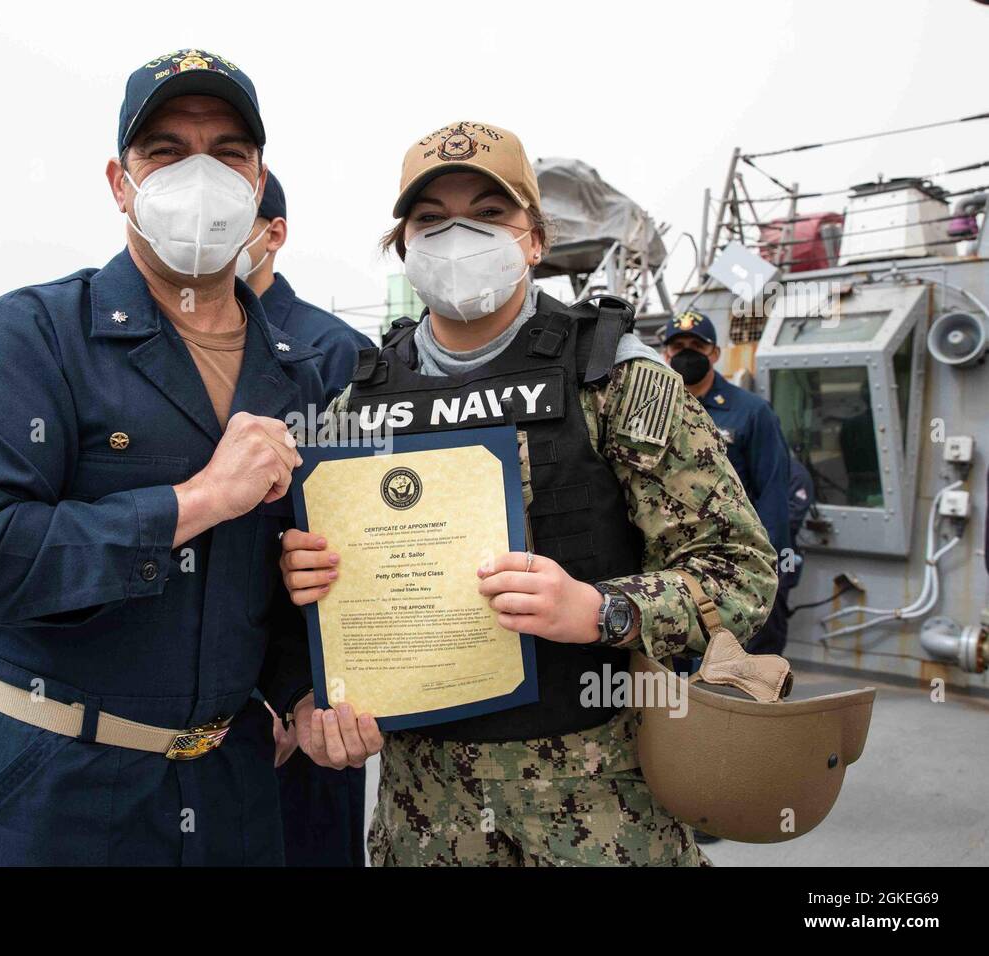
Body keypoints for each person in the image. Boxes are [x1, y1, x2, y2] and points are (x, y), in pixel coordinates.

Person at [279, 120, 779, 866]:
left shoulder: (615, 378)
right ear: (404, 246)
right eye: (431, 220)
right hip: (426, 815)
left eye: (488, 214)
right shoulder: (360, 403)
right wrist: (310, 586)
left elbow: (741, 572)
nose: (457, 236)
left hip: (602, 807)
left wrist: (602, 610)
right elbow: (320, 606)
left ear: (534, 239)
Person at [0, 48, 323, 866]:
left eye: (228, 153)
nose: (200, 174)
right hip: (54, 791)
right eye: (167, 152)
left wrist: (306, 684)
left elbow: (289, 579)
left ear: (257, 183)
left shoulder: (303, 369)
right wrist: (196, 501)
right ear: (120, 182)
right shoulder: (26, 339)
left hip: (232, 786)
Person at [236, 171, 372, 867]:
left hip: (308, 690)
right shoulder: (170, 347)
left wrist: (300, 690)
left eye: (234, 211)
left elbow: (366, 539)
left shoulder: (338, 355)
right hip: (205, 694)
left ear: (274, 233)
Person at [660, 311, 793, 656]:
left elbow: (774, 490)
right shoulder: (654, 409)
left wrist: (772, 566)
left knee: (751, 662)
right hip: (674, 558)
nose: (687, 353)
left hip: (736, 558)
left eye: (697, 346)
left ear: (715, 353)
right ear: (665, 354)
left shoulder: (751, 411)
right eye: (678, 346)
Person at [238, 172, 375, 397]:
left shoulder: (333, 347)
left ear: (274, 234)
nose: (209, 237)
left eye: (232, 221)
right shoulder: (172, 336)